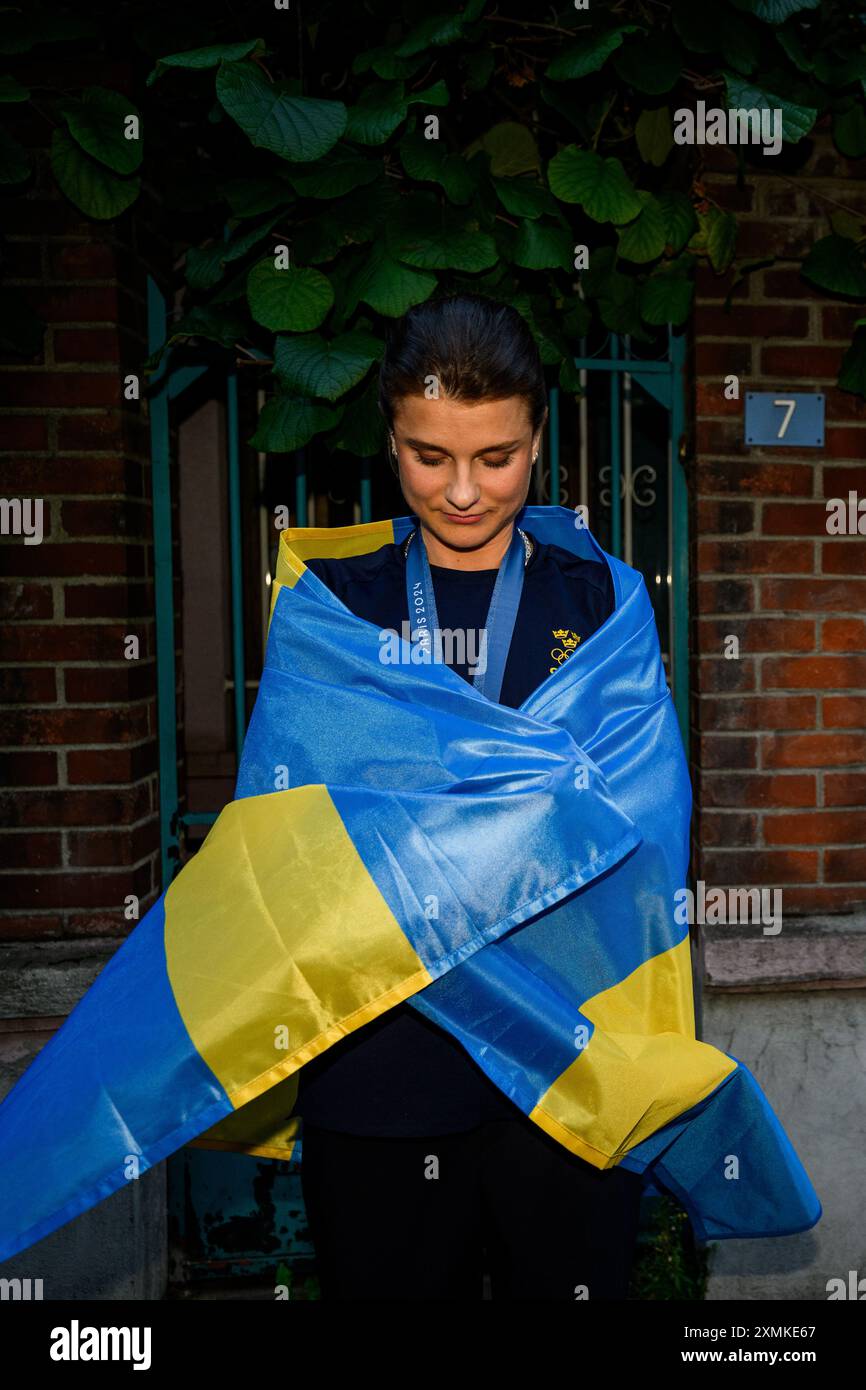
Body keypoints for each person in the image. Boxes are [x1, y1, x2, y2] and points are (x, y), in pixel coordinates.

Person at [296, 292, 645, 1300]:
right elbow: (297, 835)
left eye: (494, 458)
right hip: (381, 1063)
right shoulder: (333, 607)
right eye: (426, 455)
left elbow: (642, 823)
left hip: (564, 1055)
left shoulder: (605, 605)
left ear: (537, 438)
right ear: (388, 439)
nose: (459, 491)